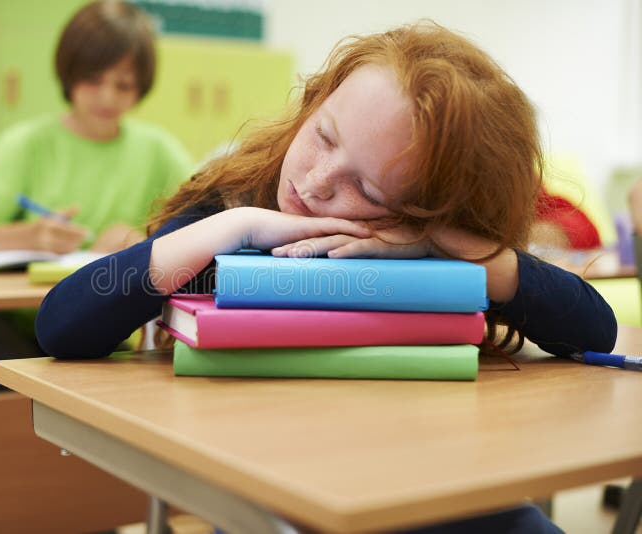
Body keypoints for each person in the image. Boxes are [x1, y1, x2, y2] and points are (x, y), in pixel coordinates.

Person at [36, 22, 616, 533]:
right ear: (315, 101)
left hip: (436, 489)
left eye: (367, 190)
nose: (315, 183)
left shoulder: (436, 250)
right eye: (324, 137)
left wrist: (455, 247)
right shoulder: (239, 205)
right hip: (276, 500)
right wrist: (227, 226)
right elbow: (63, 326)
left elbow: (595, 331)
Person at [0, 0, 193, 393]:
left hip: (88, 322)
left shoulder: (161, 153)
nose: (107, 97)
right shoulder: (25, 146)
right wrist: (30, 237)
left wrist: (139, 244)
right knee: (21, 398)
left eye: (123, 85)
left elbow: (201, 226)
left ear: (140, 87)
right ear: (69, 74)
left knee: (109, 399)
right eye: (93, 80)